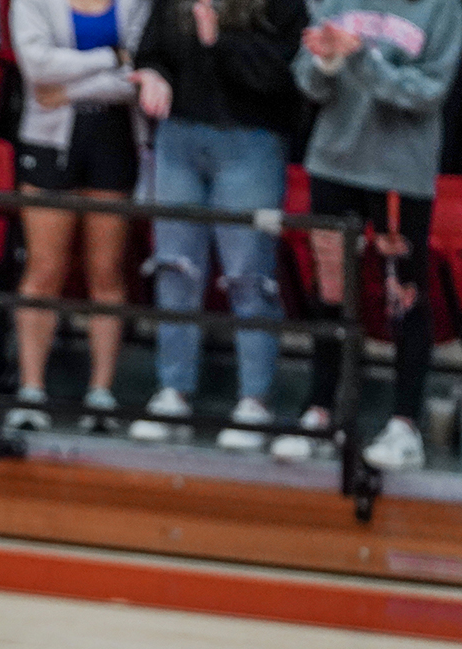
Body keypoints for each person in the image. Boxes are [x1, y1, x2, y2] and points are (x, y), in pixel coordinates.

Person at [277, 0, 462, 469]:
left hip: (399, 173)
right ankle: (321, 410)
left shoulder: (443, 9)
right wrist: (326, 61)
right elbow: (307, 82)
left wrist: (360, 58)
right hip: (332, 163)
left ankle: (405, 425)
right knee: (329, 291)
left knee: (404, 295)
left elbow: (428, 93)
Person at [128, 0, 305, 450]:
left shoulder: (283, 6)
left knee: (249, 275)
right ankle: (173, 392)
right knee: (175, 268)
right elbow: (151, 51)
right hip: (178, 136)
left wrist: (218, 41)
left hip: (252, 138)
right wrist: (153, 75)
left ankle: (254, 401)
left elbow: (283, 77)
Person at [7, 0, 153, 432]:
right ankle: (31, 391)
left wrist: (67, 90)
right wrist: (110, 58)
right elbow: (37, 68)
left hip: (114, 138)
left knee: (106, 271)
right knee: (44, 269)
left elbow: (140, 77)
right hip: (48, 141)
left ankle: (101, 394)